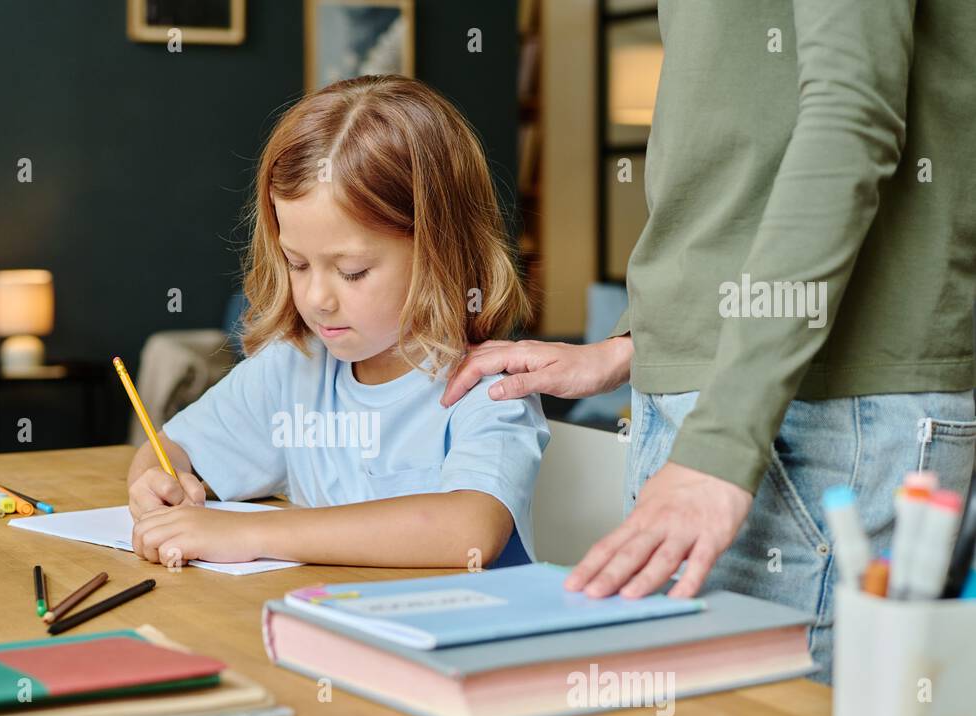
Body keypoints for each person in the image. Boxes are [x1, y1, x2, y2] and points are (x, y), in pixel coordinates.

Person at [441, 0, 976, 681]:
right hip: (723, 400)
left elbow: (853, 116)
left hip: (808, 409)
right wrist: (642, 341)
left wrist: (722, 441)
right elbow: (738, 131)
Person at [126, 75, 548, 570]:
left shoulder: (491, 386)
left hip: (460, 637)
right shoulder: (292, 367)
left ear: (441, 251)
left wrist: (250, 532)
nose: (316, 298)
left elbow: (467, 533)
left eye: (352, 271)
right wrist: (157, 481)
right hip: (326, 624)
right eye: (297, 263)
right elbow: (173, 449)